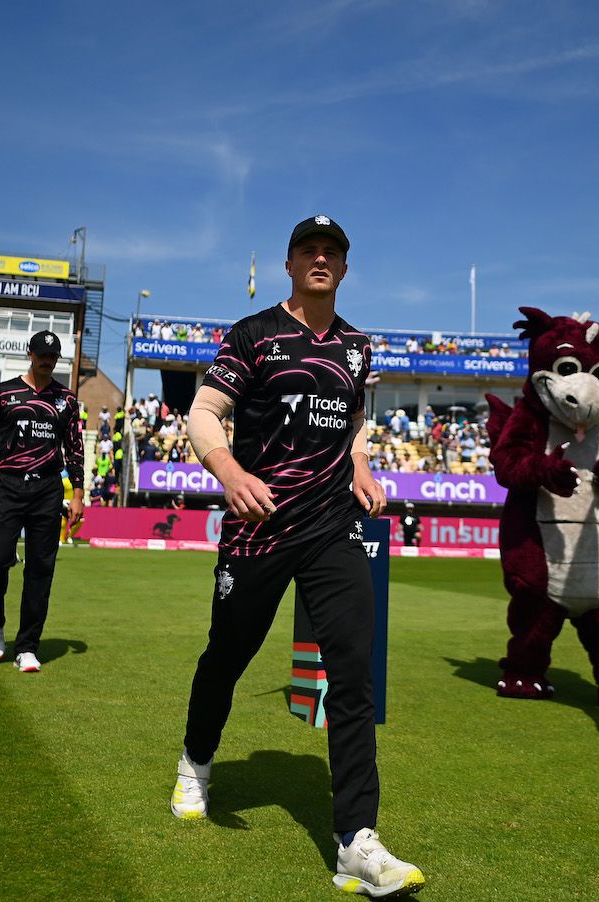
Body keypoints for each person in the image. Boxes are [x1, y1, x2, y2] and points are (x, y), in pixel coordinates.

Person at [169, 215, 424, 897]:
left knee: (353, 670)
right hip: (258, 526)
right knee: (227, 656)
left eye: (332, 251)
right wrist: (228, 471)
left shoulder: (357, 347)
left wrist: (363, 467)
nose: (321, 258)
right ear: (289, 265)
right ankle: (196, 763)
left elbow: (355, 418)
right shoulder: (253, 335)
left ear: (344, 267)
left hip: (331, 529)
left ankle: (356, 842)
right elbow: (203, 411)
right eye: (309, 250)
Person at [0, 331, 85, 673]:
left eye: (53, 355)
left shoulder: (67, 400)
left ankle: (28, 645)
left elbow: (75, 450)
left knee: (41, 570)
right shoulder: (4, 393)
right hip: (7, 486)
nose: (47, 359)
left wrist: (77, 495)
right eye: (42, 353)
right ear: (30, 354)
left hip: (48, 491)